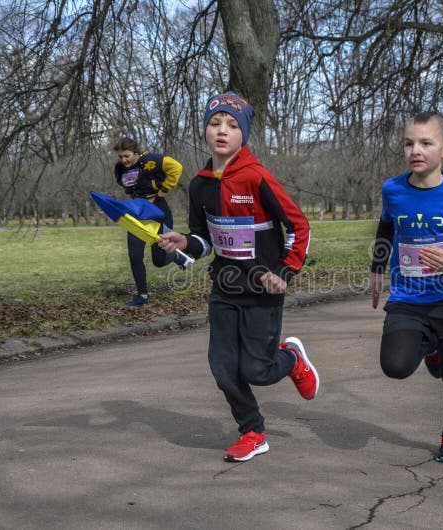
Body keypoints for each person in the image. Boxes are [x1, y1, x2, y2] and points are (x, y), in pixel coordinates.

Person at [157, 92, 316, 463]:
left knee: (257, 371)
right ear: (205, 131)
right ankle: (252, 430)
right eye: (215, 123)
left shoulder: (257, 178)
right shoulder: (199, 185)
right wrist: (184, 241)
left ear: (243, 134)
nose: (222, 131)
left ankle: (291, 358)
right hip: (224, 289)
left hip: (263, 289)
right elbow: (204, 239)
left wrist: (284, 272)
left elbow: (299, 227)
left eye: (231, 125)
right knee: (223, 368)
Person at [370, 111, 443, 463]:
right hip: (408, 297)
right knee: (395, 365)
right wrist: (376, 268)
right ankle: (429, 346)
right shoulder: (394, 190)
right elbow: (386, 229)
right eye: (408, 143)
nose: (415, 150)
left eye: (425, 143)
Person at [113, 137, 185, 306]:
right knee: (135, 254)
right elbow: (128, 187)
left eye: (127, 156)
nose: (123, 160)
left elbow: (177, 167)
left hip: (159, 211)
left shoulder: (152, 160)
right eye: (120, 157)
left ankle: (177, 255)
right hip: (138, 213)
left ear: (136, 153)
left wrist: (164, 190)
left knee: (159, 261)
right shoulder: (120, 168)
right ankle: (142, 296)